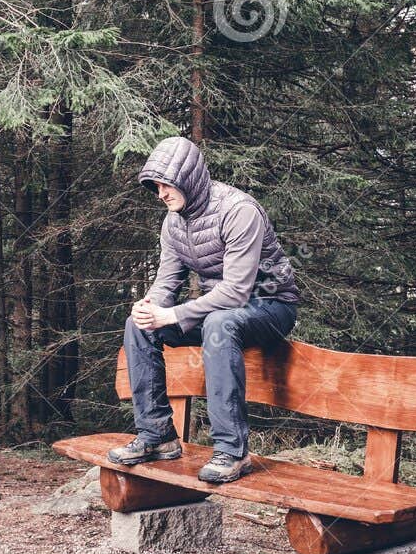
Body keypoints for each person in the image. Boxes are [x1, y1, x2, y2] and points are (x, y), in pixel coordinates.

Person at [109, 135, 300, 484]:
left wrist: (176, 315)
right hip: (221, 311)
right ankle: (157, 436)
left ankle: (232, 452)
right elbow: (167, 282)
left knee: (219, 324)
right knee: (139, 325)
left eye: (167, 184)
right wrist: (149, 307)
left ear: (189, 178)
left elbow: (238, 291)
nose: (161, 193)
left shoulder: (238, 210)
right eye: (156, 187)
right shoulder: (173, 222)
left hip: (271, 305)